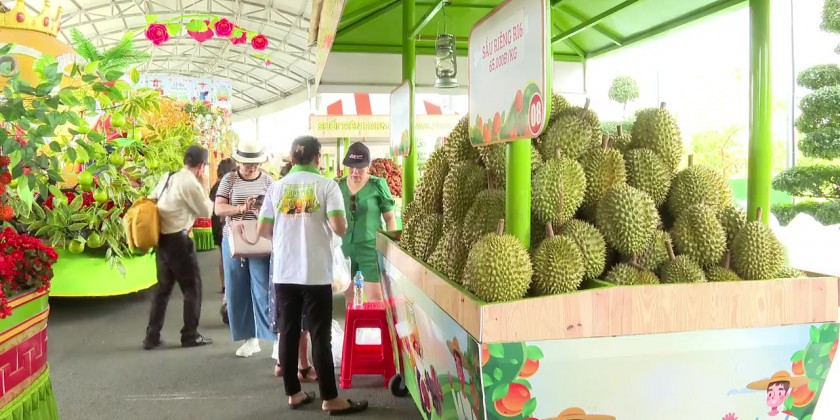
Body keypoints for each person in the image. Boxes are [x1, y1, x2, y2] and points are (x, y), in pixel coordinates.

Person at [258, 135, 368, 415]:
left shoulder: (277, 187)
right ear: (318, 158)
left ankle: (293, 393)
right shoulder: (327, 185)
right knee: (320, 335)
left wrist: (289, 233)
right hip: (316, 273)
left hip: (284, 271)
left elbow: (263, 230)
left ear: (292, 159)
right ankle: (330, 398)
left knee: (288, 331)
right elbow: (340, 227)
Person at [143, 145, 215, 350]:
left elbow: (153, 199)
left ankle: (152, 336)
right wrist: (205, 185)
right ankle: (190, 334)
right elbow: (206, 211)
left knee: (162, 290)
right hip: (179, 241)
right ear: (202, 166)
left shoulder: (169, 176)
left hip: (162, 239)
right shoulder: (190, 183)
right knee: (193, 288)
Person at [213, 139, 276, 358]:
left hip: (260, 239)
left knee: (263, 288)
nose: (251, 168)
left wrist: (260, 209)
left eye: (255, 164)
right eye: (247, 164)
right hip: (234, 241)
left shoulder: (268, 181)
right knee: (237, 289)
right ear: (238, 162)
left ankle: (272, 337)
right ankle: (250, 338)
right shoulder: (229, 179)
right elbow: (218, 208)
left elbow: (276, 209)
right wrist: (241, 207)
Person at [338, 142, 398, 302]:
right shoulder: (338, 186)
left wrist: (390, 246)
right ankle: (353, 327)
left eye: (360, 168)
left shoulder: (377, 185)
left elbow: (390, 218)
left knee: (376, 297)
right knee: (349, 296)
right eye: (351, 167)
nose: (355, 172)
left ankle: (375, 327)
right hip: (345, 248)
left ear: (369, 166)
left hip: (370, 248)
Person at [210, 158, 237, 294]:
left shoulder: (215, 186)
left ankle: (224, 285)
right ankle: (231, 284)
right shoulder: (229, 184)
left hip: (215, 223)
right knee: (231, 254)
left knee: (222, 254)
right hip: (225, 222)